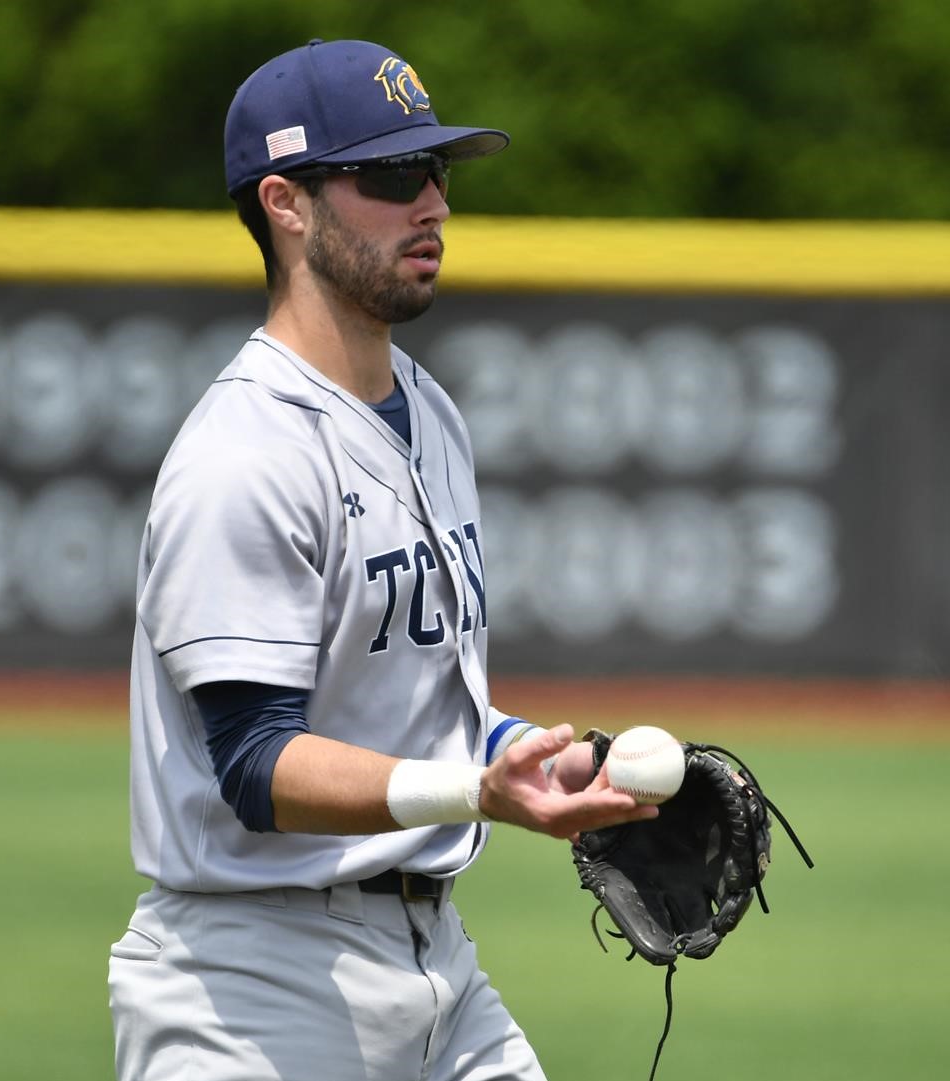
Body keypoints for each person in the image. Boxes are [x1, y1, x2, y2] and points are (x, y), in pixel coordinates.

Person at [108, 38, 657, 1081]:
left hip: (435, 963)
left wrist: (558, 767)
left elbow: (424, 708)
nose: (436, 206)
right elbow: (259, 763)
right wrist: (474, 790)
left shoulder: (431, 413)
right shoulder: (245, 451)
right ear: (286, 202)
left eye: (439, 172)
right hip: (254, 990)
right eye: (394, 175)